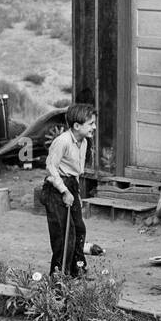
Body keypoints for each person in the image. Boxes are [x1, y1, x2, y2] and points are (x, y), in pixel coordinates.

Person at [42, 103, 96, 278]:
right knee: (64, 235)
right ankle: (59, 276)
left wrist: (75, 193)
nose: (94, 127)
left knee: (79, 229)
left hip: (71, 186)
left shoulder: (84, 142)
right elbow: (51, 168)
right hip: (55, 189)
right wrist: (64, 191)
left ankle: (77, 270)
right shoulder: (62, 141)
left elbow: (76, 172)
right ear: (77, 126)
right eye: (91, 123)